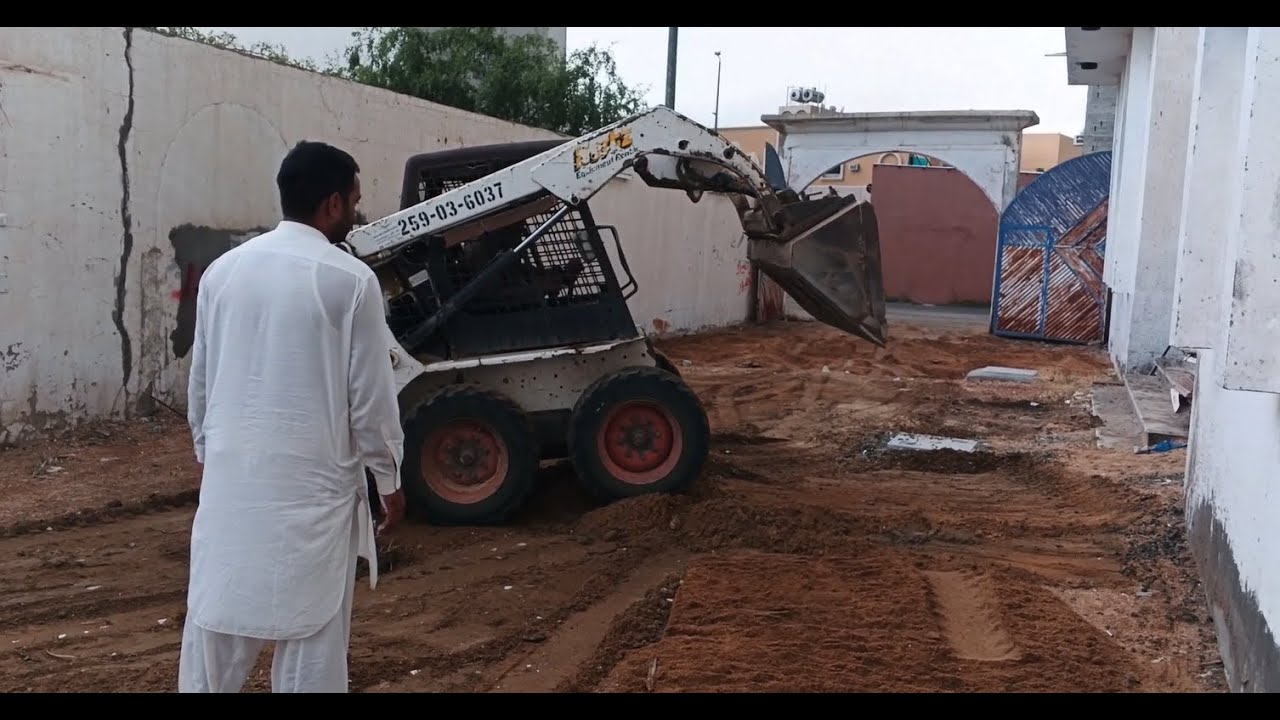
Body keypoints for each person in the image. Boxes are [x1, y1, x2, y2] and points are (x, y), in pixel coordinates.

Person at [178, 140, 406, 693]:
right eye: (353, 200)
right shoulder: (351, 281)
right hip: (315, 499)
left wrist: (209, 457)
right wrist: (390, 479)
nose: (355, 211)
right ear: (332, 205)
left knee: (214, 634)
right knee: (313, 643)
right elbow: (371, 400)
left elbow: (201, 384)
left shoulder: (221, 274)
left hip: (232, 492)